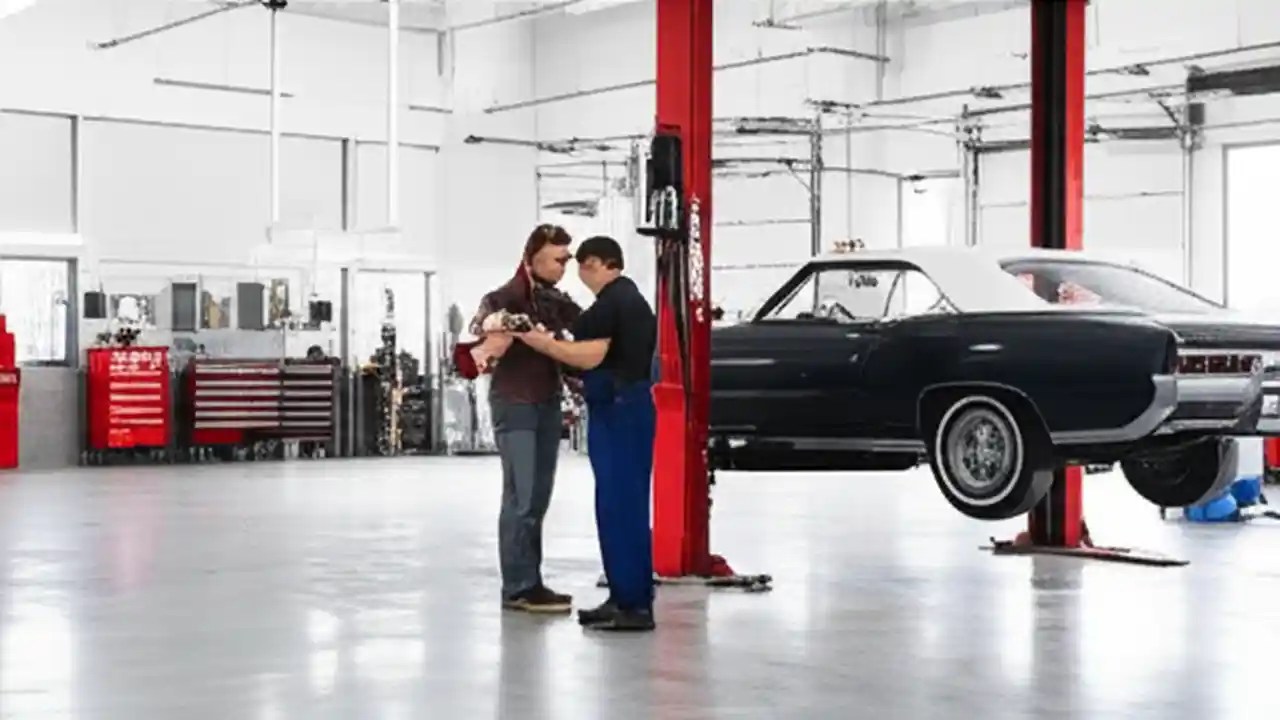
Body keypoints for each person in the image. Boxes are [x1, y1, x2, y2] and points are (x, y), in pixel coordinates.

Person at [517, 236, 658, 632]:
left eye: (578, 263)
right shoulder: (622, 300)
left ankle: (634, 605)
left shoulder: (617, 303)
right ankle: (623, 596)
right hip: (618, 409)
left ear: (596, 263)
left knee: (622, 508)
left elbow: (591, 355)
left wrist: (542, 344)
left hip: (622, 410)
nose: (575, 272)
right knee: (614, 507)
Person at [470, 224, 582, 613]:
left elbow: (587, 331)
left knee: (537, 497)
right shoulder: (502, 298)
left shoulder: (556, 302)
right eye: (556, 260)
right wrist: (497, 327)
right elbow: (478, 329)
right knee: (521, 496)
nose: (563, 267)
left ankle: (530, 581)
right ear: (531, 258)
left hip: (548, 403)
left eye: (566, 260)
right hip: (515, 404)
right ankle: (518, 586)